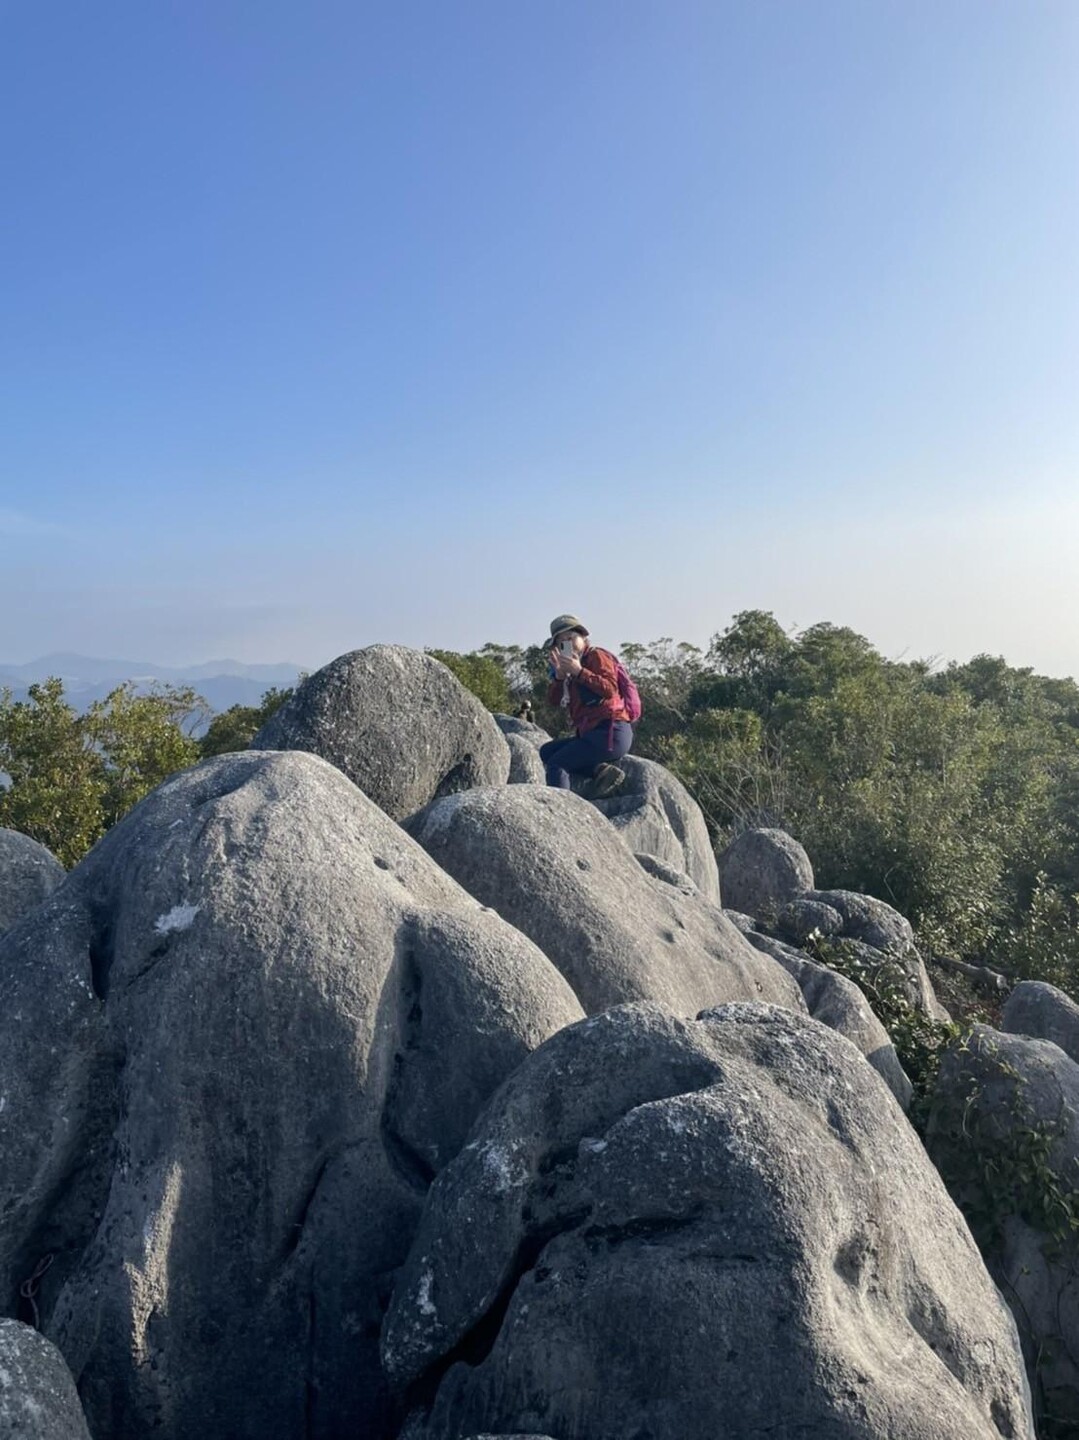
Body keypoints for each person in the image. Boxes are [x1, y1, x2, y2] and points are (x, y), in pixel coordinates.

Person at [539, 614, 633, 796]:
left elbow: (609, 689)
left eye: (571, 637)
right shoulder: (567, 670)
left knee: (557, 764)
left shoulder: (596, 656)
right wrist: (559, 678)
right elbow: (553, 701)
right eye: (562, 642)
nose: (568, 643)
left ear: (582, 637)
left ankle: (560, 809)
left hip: (610, 732)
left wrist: (580, 671)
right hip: (592, 734)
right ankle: (599, 771)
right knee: (547, 752)